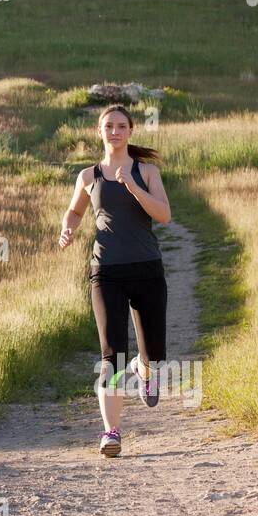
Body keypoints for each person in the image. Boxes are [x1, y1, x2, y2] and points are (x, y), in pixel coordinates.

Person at [57, 103, 172, 457]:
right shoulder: (88, 176)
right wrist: (68, 227)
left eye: (122, 126)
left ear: (131, 131)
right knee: (112, 357)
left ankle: (145, 368)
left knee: (152, 353)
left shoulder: (146, 171)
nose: (115, 131)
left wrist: (134, 189)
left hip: (147, 269)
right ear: (100, 132)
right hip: (106, 272)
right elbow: (76, 210)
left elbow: (164, 215)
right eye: (109, 126)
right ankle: (112, 433)